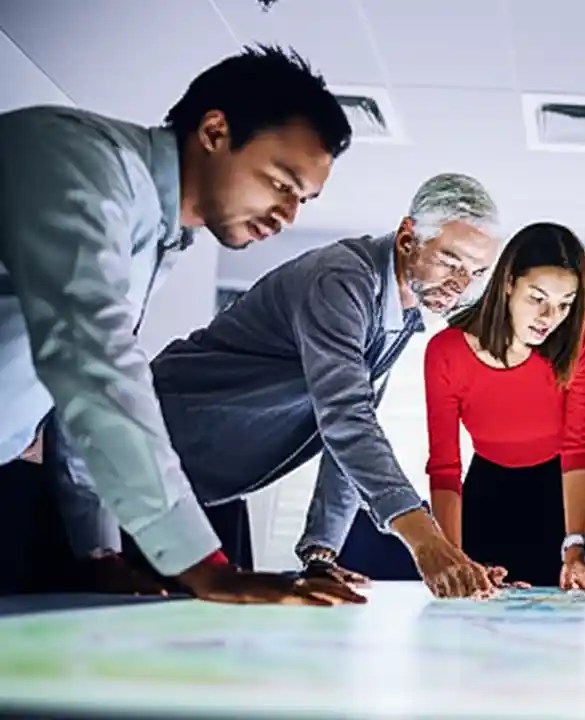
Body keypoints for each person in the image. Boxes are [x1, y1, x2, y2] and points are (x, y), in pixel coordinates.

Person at [0, 45, 360, 605]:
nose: (288, 215)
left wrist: (99, 552)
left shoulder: (161, 233)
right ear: (215, 131)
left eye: (303, 200)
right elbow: (89, 361)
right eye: (281, 183)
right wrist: (205, 566)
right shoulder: (78, 160)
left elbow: (72, 396)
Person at [55, 173, 506, 600]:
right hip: (143, 465)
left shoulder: (398, 319)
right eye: (451, 260)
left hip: (209, 491)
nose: (462, 284)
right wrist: (425, 539)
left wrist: (321, 552)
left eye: (478, 273)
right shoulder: (342, 281)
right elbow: (345, 419)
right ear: (408, 238)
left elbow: (350, 434)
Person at [404, 221, 585, 591]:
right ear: (509, 283)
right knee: (475, 618)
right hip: (486, 492)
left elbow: (579, 443)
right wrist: (454, 557)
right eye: (538, 298)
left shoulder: (581, 332)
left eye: (565, 304)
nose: (550, 317)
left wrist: (574, 547)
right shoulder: (446, 352)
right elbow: (445, 465)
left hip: (557, 496)